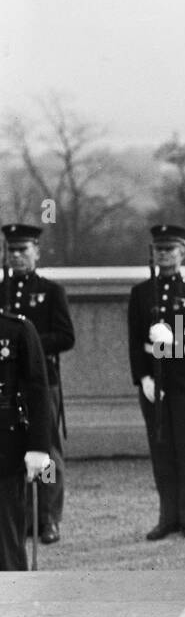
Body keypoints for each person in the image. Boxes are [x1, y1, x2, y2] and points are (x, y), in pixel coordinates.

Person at [127, 224, 185, 540]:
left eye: (170, 249)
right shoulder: (141, 294)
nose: (164, 255)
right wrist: (144, 377)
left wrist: (175, 341)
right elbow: (135, 341)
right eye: (159, 249)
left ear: (182, 253)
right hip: (154, 383)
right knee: (160, 449)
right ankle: (167, 516)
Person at [2, 222, 74, 544]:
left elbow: (65, 336)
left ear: (36, 253)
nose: (17, 256)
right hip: (6, 385)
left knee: (46, 449)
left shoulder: (51, 291)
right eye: (11, 250)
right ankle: (22, 517)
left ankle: (47, 517)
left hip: (42, 382)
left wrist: (26, 347)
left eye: (23, 250)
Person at [0, 305, 51, 570]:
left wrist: (39, 448)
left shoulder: (17, 330)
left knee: (6, 540)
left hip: (5, 451)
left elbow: (39, 392)